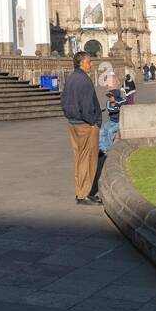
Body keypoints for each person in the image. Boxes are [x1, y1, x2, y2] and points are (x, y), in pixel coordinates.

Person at [61, 51, 103, 205]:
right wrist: (94, 122)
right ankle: (84, 194)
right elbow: (86, 106)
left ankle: (81, 191)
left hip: (73, 123)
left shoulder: (71, 78)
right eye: (89, 62)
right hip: (85, 125)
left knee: (79, 159)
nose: (91, 65)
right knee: (88, 159)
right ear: (83, 63)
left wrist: (70, 116)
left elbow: (64, 100)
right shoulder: (84, 80)